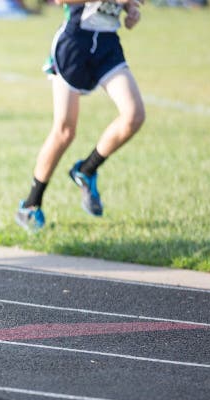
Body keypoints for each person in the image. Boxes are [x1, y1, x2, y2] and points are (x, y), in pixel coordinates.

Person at [16, 0, 146, 232]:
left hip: (107, 45)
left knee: (133, 115)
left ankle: (86, 169)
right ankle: (31, 203)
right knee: (65, 131)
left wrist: (131, 10)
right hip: (75, 42)